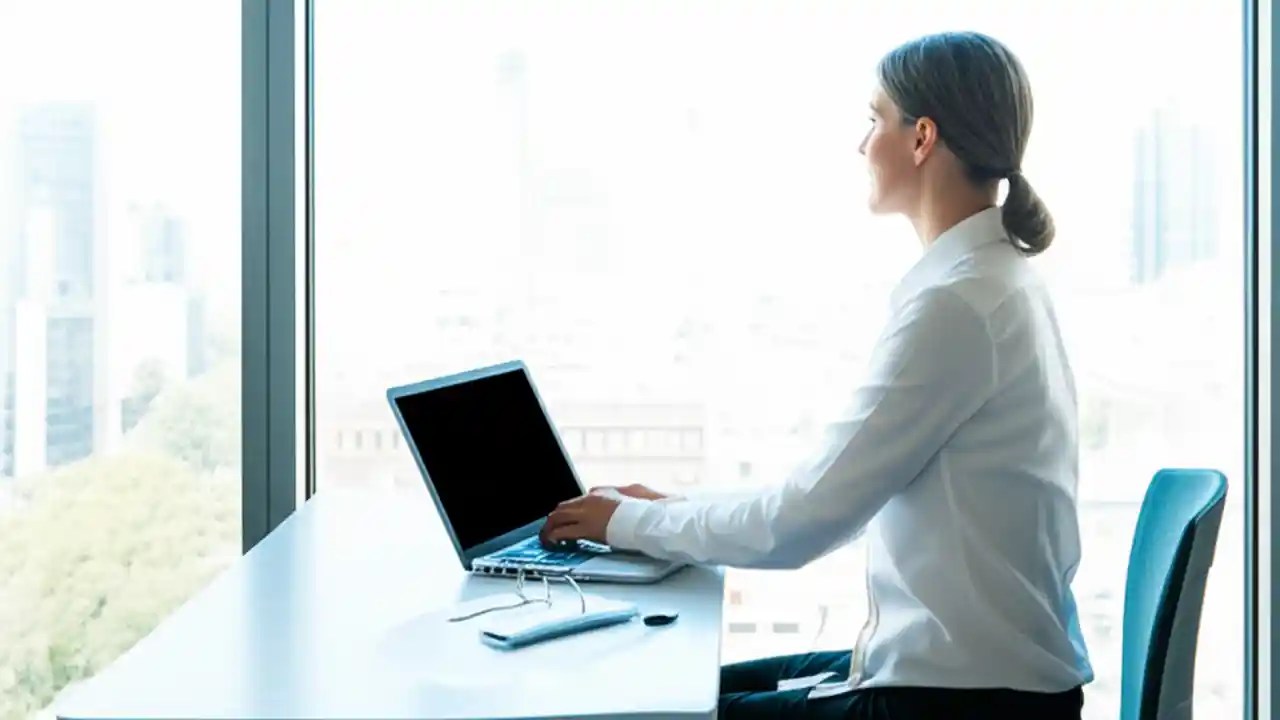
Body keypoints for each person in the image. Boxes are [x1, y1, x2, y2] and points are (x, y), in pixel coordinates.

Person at [541, 31, 1093, 720]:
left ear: (922, 138)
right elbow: (826, 495)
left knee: (649, 711)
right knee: (673, 694)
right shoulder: (995, 280)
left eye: (875, 120)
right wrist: (668, 511)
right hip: (973, 677)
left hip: (963, 702)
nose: (862, 145)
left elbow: (799, 524)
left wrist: (629, 523)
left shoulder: (957, 304)